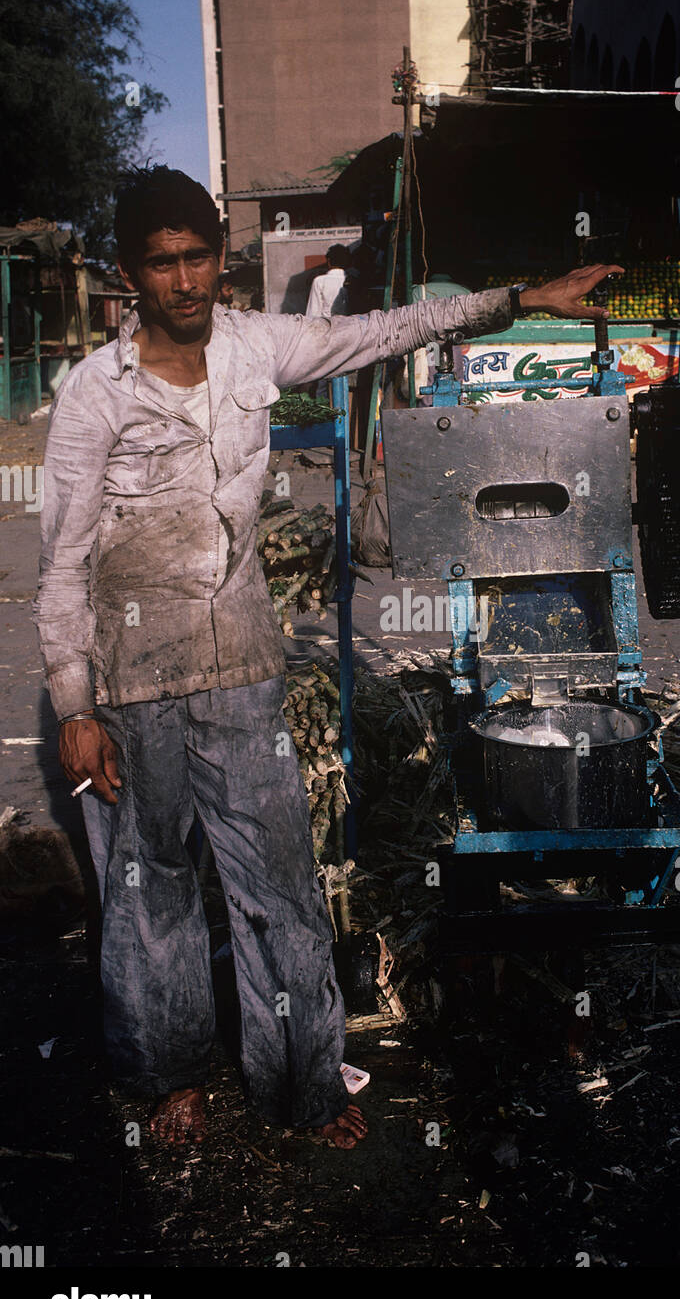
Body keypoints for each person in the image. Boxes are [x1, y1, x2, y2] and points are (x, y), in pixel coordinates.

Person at [33, 163, 620, 1148]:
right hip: (131, 676)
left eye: (197, 258)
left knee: (278, 881)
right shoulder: (95, 394)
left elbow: (387, 330)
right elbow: (62, 561)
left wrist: (521, 299)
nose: (183, 280)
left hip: (241, 665)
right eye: (161, 263)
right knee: (150, 883)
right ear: (130, 275)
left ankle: (303, 1084)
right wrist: (74, 706)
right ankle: (170, 1075)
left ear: (221, 263)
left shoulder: (257, 344)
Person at [305, 244, 351, 319]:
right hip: (350, 323)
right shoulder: (352, 280)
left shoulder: (319, 281)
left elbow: (313, 312)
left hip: (326, 324)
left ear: (329, 261)